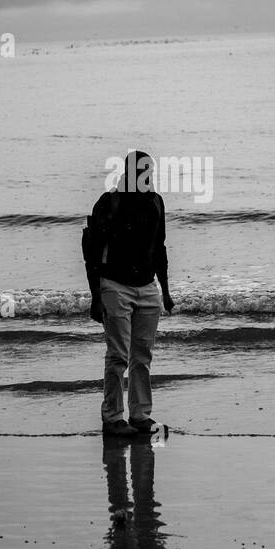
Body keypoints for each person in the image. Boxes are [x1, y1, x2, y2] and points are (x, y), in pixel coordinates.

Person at [83, 150, 175, 436]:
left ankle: (140, 416)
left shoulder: (156, 202)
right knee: (118, 356)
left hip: (148, 287)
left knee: (142, 356)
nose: (147, 176)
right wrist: (96, 297)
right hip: (115, 286)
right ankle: (112, 418)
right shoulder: (110, 202)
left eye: (150, 170)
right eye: (141, 171)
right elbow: (91, 252)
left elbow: (159, 248)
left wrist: (166, 291)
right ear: (128, 172)